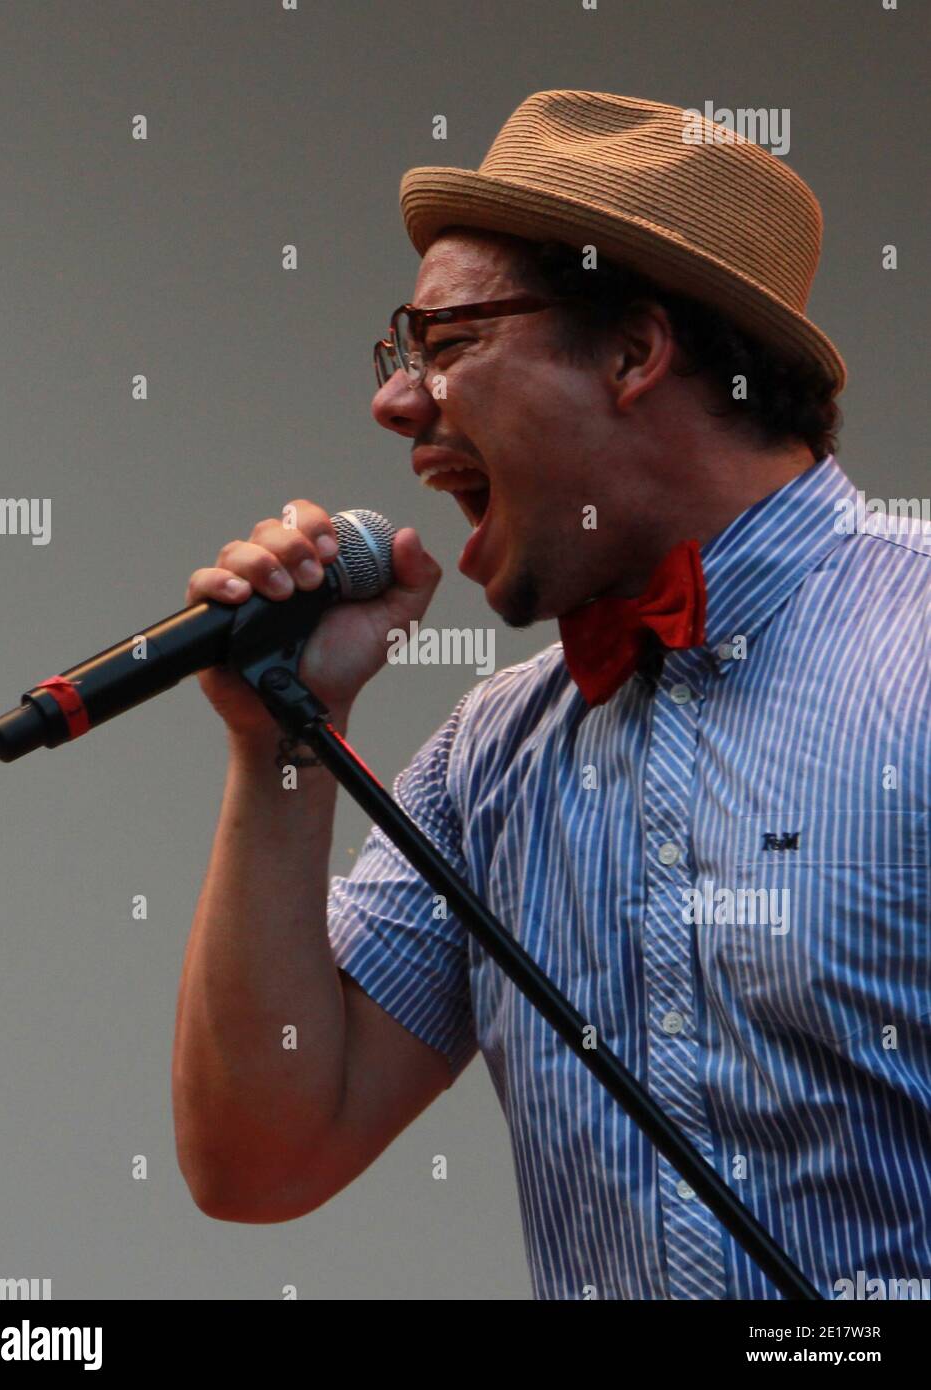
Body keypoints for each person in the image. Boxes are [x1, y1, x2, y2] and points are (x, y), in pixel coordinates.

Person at [172, 91, 930, 1300]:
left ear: (633, 351)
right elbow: (261, 1154)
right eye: (399, 352)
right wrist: (276, 742)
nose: (395, 403)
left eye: (448, 342)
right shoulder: (495, 752)